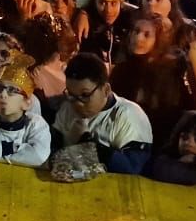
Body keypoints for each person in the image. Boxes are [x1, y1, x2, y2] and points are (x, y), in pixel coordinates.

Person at [49, 51, 153, 181]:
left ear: (106, 90)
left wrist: (85, 142)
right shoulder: (67, 108)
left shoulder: (130, 116)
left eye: (85, 95)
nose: (77, 104)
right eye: (71, 94)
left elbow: (132, 168)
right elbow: (50, 153)